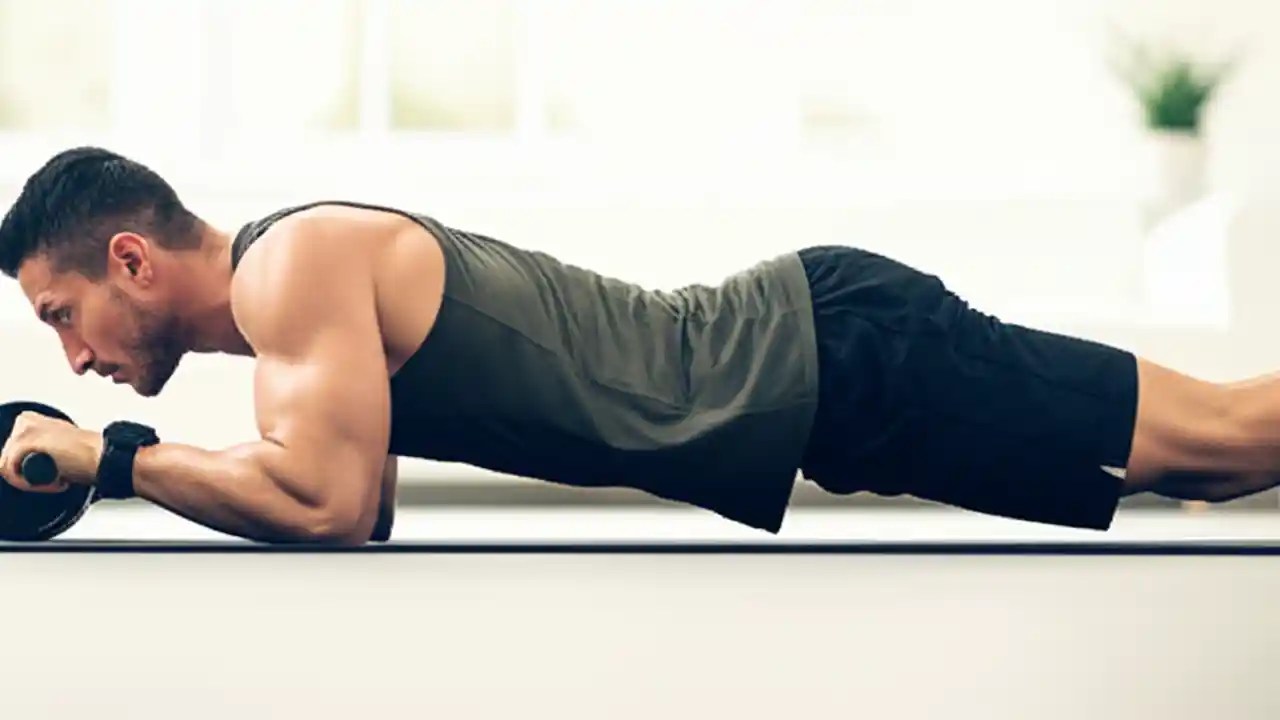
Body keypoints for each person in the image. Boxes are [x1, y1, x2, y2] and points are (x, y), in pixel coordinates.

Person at [0, 147, 1274, 545]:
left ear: (129, 259)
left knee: (1220, 443)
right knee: (1212, 463)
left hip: (834, 353)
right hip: (826, 379)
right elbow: (354, 500)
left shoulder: (296, 267)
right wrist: (114, 459)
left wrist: (111, 464)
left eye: (60, 316)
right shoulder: (295, 332)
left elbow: (324, 505)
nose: (72, 360)